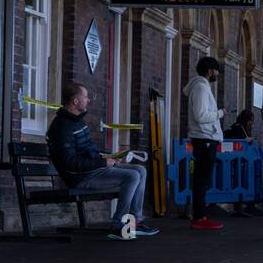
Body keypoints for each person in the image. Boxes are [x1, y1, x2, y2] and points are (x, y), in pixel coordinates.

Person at [46, 81, 159, 239]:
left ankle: (135, 222)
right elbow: (70, 163)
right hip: (80, 177)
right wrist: (103, 163)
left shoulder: (77, 120)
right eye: (85, 97)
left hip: (91, 171)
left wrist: (108, 156)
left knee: (140, 170)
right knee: (131, 176)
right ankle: (118, 225)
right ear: (75, 101)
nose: (89, 100)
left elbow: (88, 151)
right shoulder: (62, 127)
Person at [184, 56, 225, 231]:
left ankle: (200, 215)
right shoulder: (201, 88)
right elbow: (201, 116)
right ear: (209, 71)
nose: (217, 74)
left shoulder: (202, 87)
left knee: (202, 180)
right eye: (216, 70)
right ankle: (199, 217)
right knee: (201, 180)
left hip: (206, 139)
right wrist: (219, 113)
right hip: (204, 139)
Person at [224, 110, 258, 217]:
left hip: (239, 161)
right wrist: (251, 139)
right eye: (251, 121)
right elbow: (243, 141)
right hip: (239, 161)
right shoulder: (239, 128)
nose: (252, 124)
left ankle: (243, 205)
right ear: (247, 120)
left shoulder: (239, 127)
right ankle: (241, 207)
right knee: (241, 181)